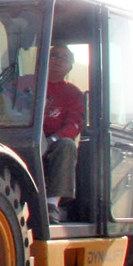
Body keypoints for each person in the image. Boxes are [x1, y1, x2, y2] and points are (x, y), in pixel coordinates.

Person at [43, 44, 85, 221]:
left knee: (67, 145)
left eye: (64, 58)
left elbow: (73, 125)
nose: (58, 60)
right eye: (54, 55)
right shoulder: (24, 83)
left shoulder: (73, 93)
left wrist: (52, 140)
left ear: (70, 66)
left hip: (52, 144)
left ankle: (51, 205)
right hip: (23, 137)